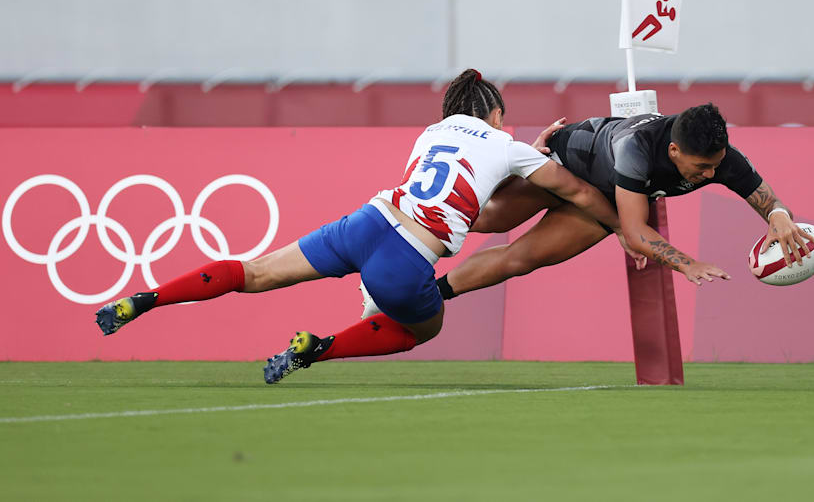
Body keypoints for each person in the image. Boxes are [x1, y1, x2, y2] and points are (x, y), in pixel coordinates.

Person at [94, 68, 628, 384]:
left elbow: (465, 180)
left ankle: (145, 299)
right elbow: (575, 191)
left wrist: (520, 156)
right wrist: (622, 226)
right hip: (408, 257)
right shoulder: (506, 145)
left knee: (253, 272)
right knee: (422, 328)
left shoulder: (430, 134)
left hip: (365, 223)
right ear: (495, 115)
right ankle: (317, 347)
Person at [431, 103, 814, 303]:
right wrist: (687, 264)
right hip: (566, 163)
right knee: (488, 218)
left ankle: (425, 296)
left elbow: (763, 194)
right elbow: (634, 231)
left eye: (716, 166)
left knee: (519, 259)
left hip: (607, 199)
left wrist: (779, 216)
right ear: (673, 150)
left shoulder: (719, 158)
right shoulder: (637, 150)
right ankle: (407, 236)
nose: (710, 175)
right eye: (701, 168)